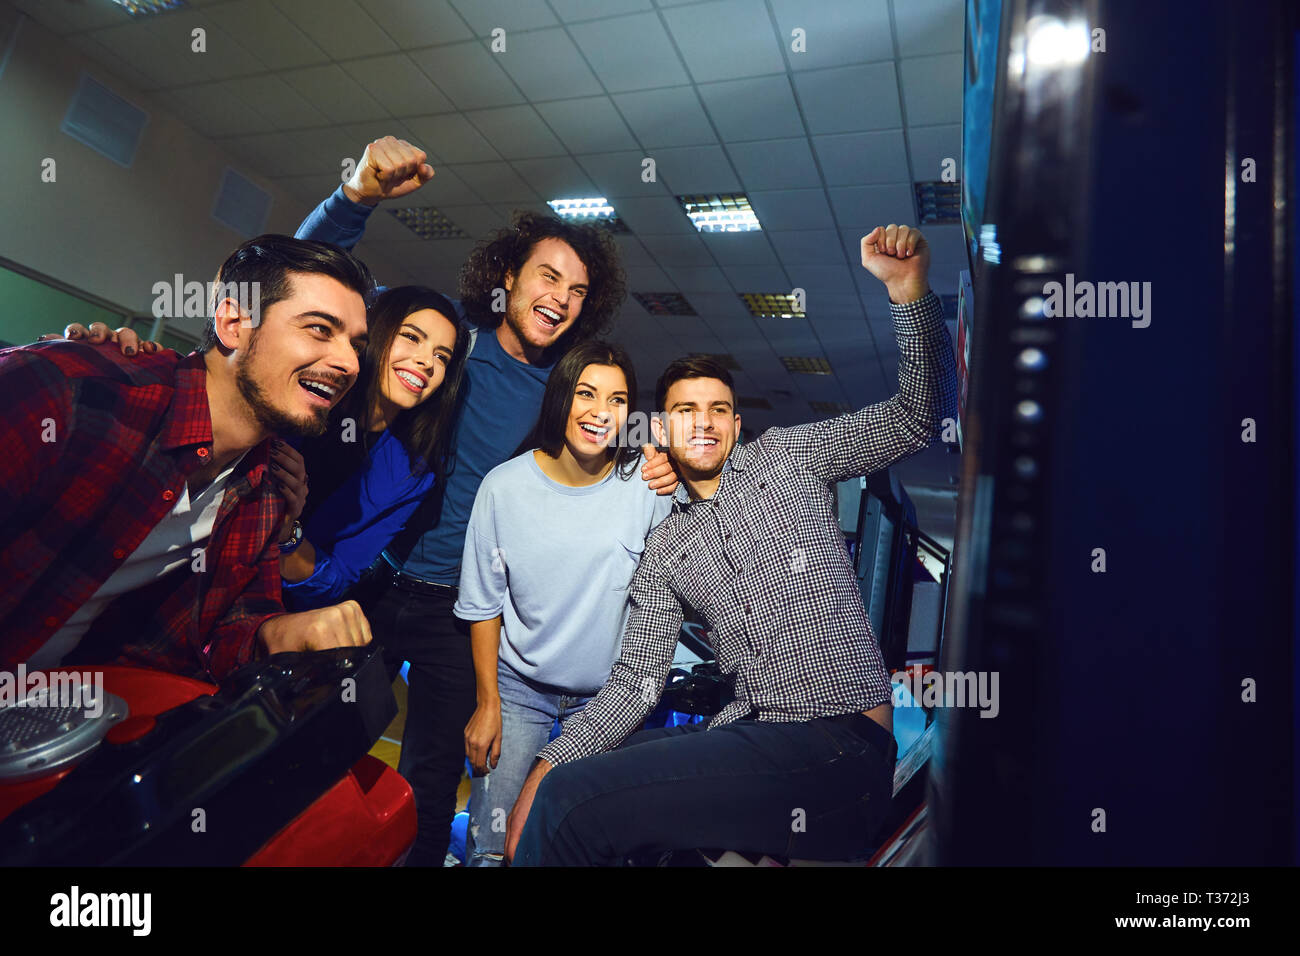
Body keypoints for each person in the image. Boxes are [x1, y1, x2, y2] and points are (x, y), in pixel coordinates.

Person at [504, 224, 958, 866]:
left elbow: (918, 414)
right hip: (751, 744)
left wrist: (909, 292)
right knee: (604, 815)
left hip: (839, 745)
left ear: (736, 424)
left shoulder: (787, 458)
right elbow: (636, 684)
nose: (705, 422)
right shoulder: (665, 548)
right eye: (687, 410)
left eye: (719, 409)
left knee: (577, 803)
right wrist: (547, 762)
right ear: (661, 427)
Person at [295, 135, 679, 865]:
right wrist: (354, 197)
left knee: (432, 782)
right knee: (318, 749)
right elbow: (309, 283)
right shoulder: (447, 349)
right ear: (509, 274)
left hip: (461, 616)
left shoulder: (568, 398)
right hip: (369, 582)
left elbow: (634, 438)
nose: (561, 299)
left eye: (577, 291)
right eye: (548, 277)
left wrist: (659, 463)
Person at [0, 235, 380, 680]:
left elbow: (218, 630)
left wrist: (274, 635)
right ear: (234, 323)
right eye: (319, 328)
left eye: (356, 344)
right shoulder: (69, 391)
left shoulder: (270, 484)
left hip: (49, 719)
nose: (350, 364)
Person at [453, 341, 673, 866]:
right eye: (586, 393)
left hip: (606, 701)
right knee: (488, 844)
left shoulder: (646, 487)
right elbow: (484, 605)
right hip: (518, 689)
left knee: (583, 845)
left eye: (617, 400)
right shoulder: (503, 488)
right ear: (560, 398)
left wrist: (676, 466)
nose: (601, 412)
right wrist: (488, 704)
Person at [276, 286, 469, 610]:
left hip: (275, 612)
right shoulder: (302, 393)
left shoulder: (412, 474)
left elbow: (335, 580)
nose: (426, 361)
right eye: (411, 337)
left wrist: (285, 533)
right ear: (376, 332)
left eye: (441, 356)